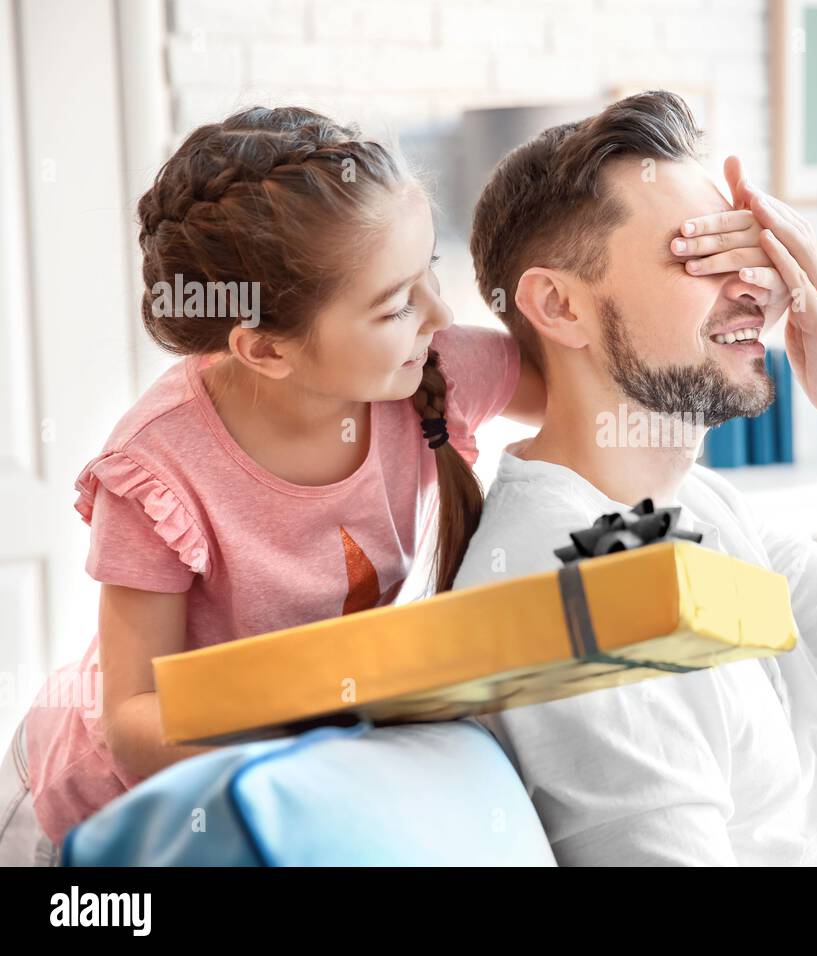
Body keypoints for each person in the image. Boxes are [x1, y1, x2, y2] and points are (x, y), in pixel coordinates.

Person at [451, 90, 817, 865]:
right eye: (698, 254)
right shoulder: (571, 586)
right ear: (559, 305)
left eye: (746, 248)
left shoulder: (693, 509)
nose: (757, 286)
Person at [0, 106, 545, 866]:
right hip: (104, 808)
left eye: (429, 272)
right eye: (394, 304)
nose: (439, 312)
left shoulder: (426, 364)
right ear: (263, 350)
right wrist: (318, 773)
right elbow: (131, 720)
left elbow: (594, 391)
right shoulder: (156, 472)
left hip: (293, 785)